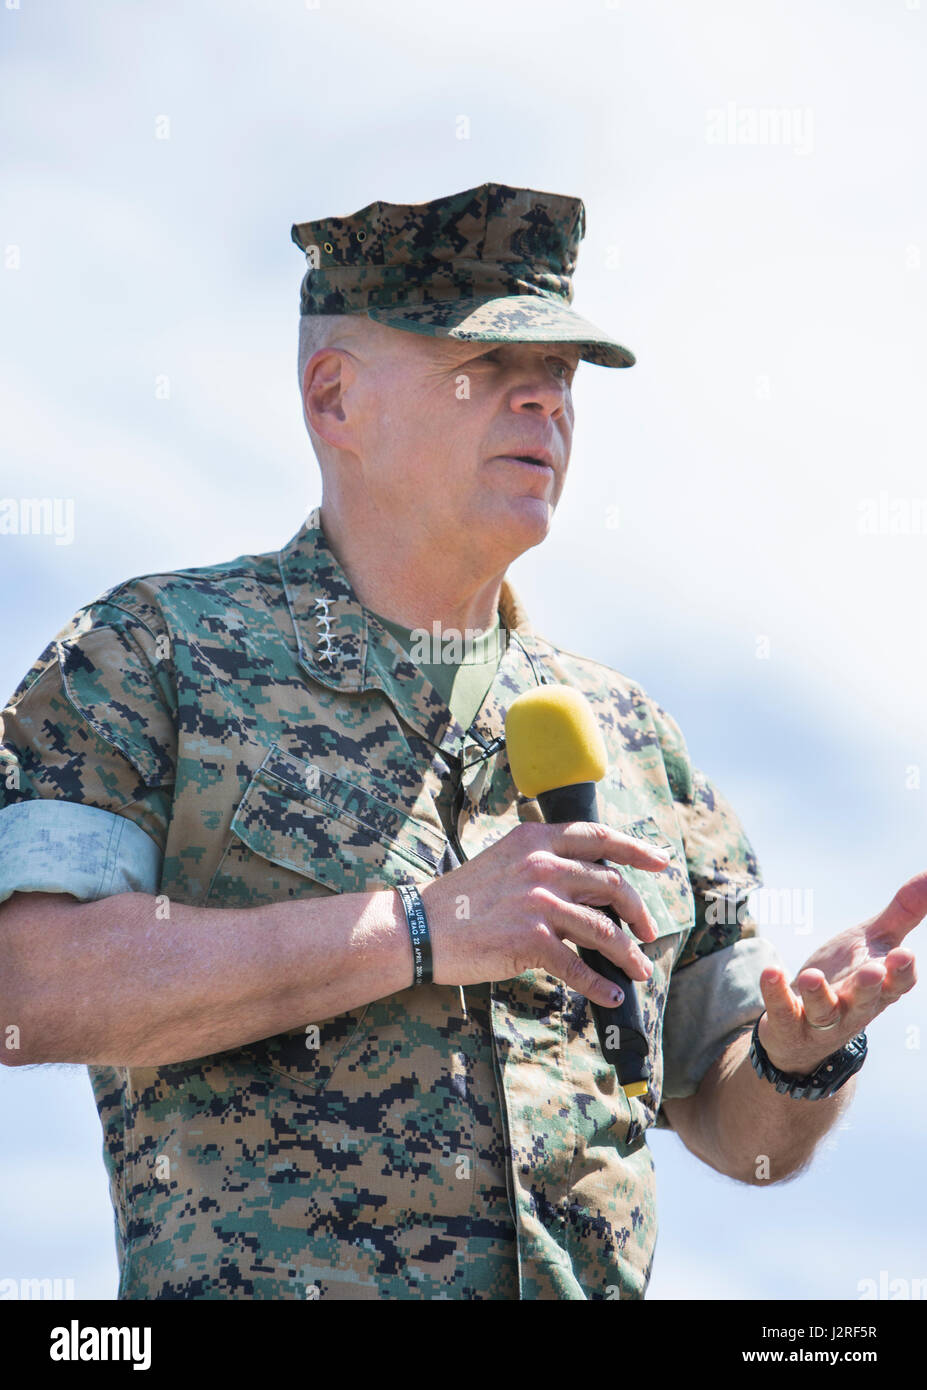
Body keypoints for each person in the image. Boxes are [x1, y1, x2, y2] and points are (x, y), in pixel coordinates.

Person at [0, 181, 919, 1301]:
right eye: (483, 363)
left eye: (563, 374)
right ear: (335, 396)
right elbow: (25, 985)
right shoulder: (151, 656)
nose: (543, 400)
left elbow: (734, 1126)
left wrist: (798, 1056)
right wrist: (427, 929)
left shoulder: (637, 744)